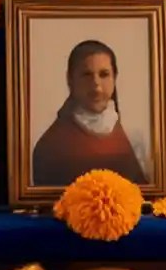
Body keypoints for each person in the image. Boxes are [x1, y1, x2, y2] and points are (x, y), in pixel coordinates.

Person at [32, 40, 152, 187]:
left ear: (115, 78)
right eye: (86, 75)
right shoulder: (50, 147)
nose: (96, 83)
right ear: (70, 80)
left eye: (104, 74)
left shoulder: (134, 136)